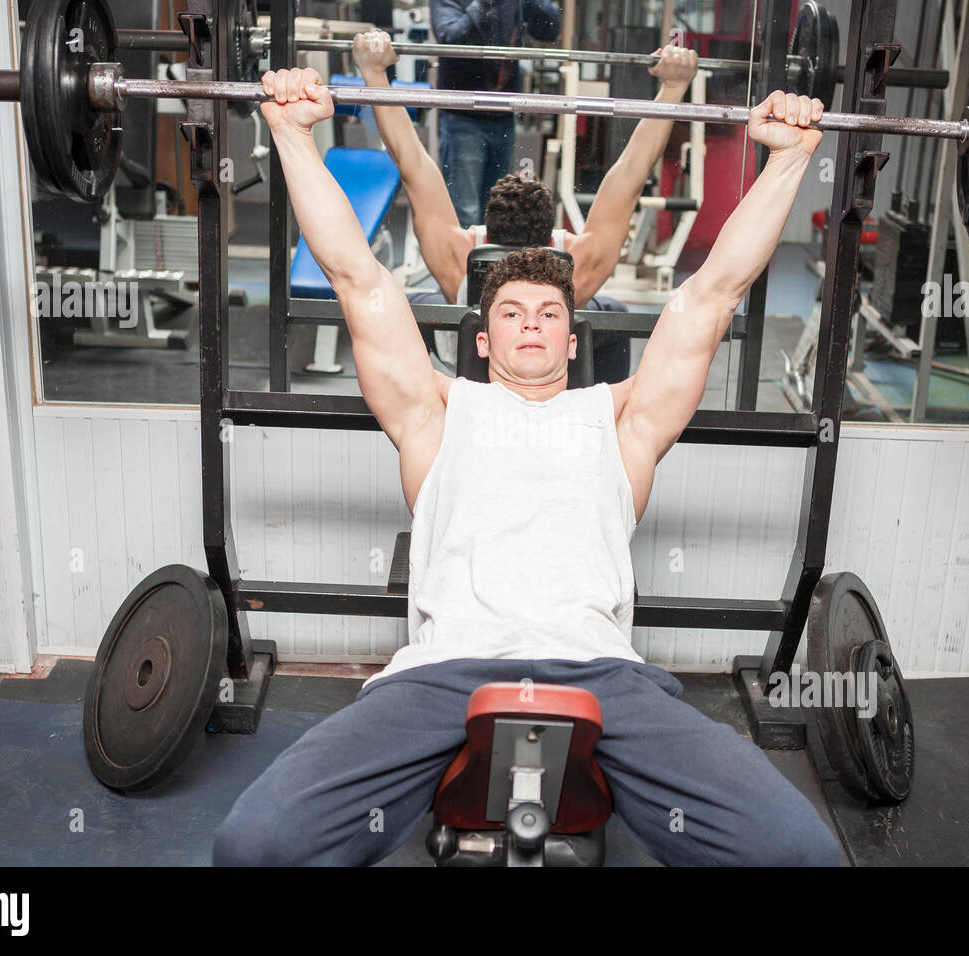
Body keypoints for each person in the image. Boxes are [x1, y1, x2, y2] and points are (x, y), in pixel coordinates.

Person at [214, 68, 839, 867]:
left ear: (575, 342)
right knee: (251, 847)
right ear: (482, 340)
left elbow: (712, 294)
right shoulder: (437, 416)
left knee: (801, 856)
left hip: (606, 675)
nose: (532, 323)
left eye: (551, 313)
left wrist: (789, 158)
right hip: (446, 669)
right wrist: (293, 137)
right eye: (510, 313)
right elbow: (357, 280)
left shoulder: (621, 423)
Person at [353, 29, 699, 383]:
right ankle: (596, 402)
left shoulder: (458, 256)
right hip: (548, 349)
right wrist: (673, 87)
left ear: (482, 234)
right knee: (613, 313)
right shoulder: (577, 265)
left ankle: (422, 397)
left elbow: (411, 162)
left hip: (471, 352)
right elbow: (632, 173)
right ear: (552, 239)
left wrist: (374, 73)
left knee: (410, 305)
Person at [430, 0, 562, 227]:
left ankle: (490, 264)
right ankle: (463, 263)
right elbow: (449, 38)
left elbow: (549, 30)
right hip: (462, 116)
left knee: (498, 212)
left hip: (503, 116)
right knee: (465, 214)